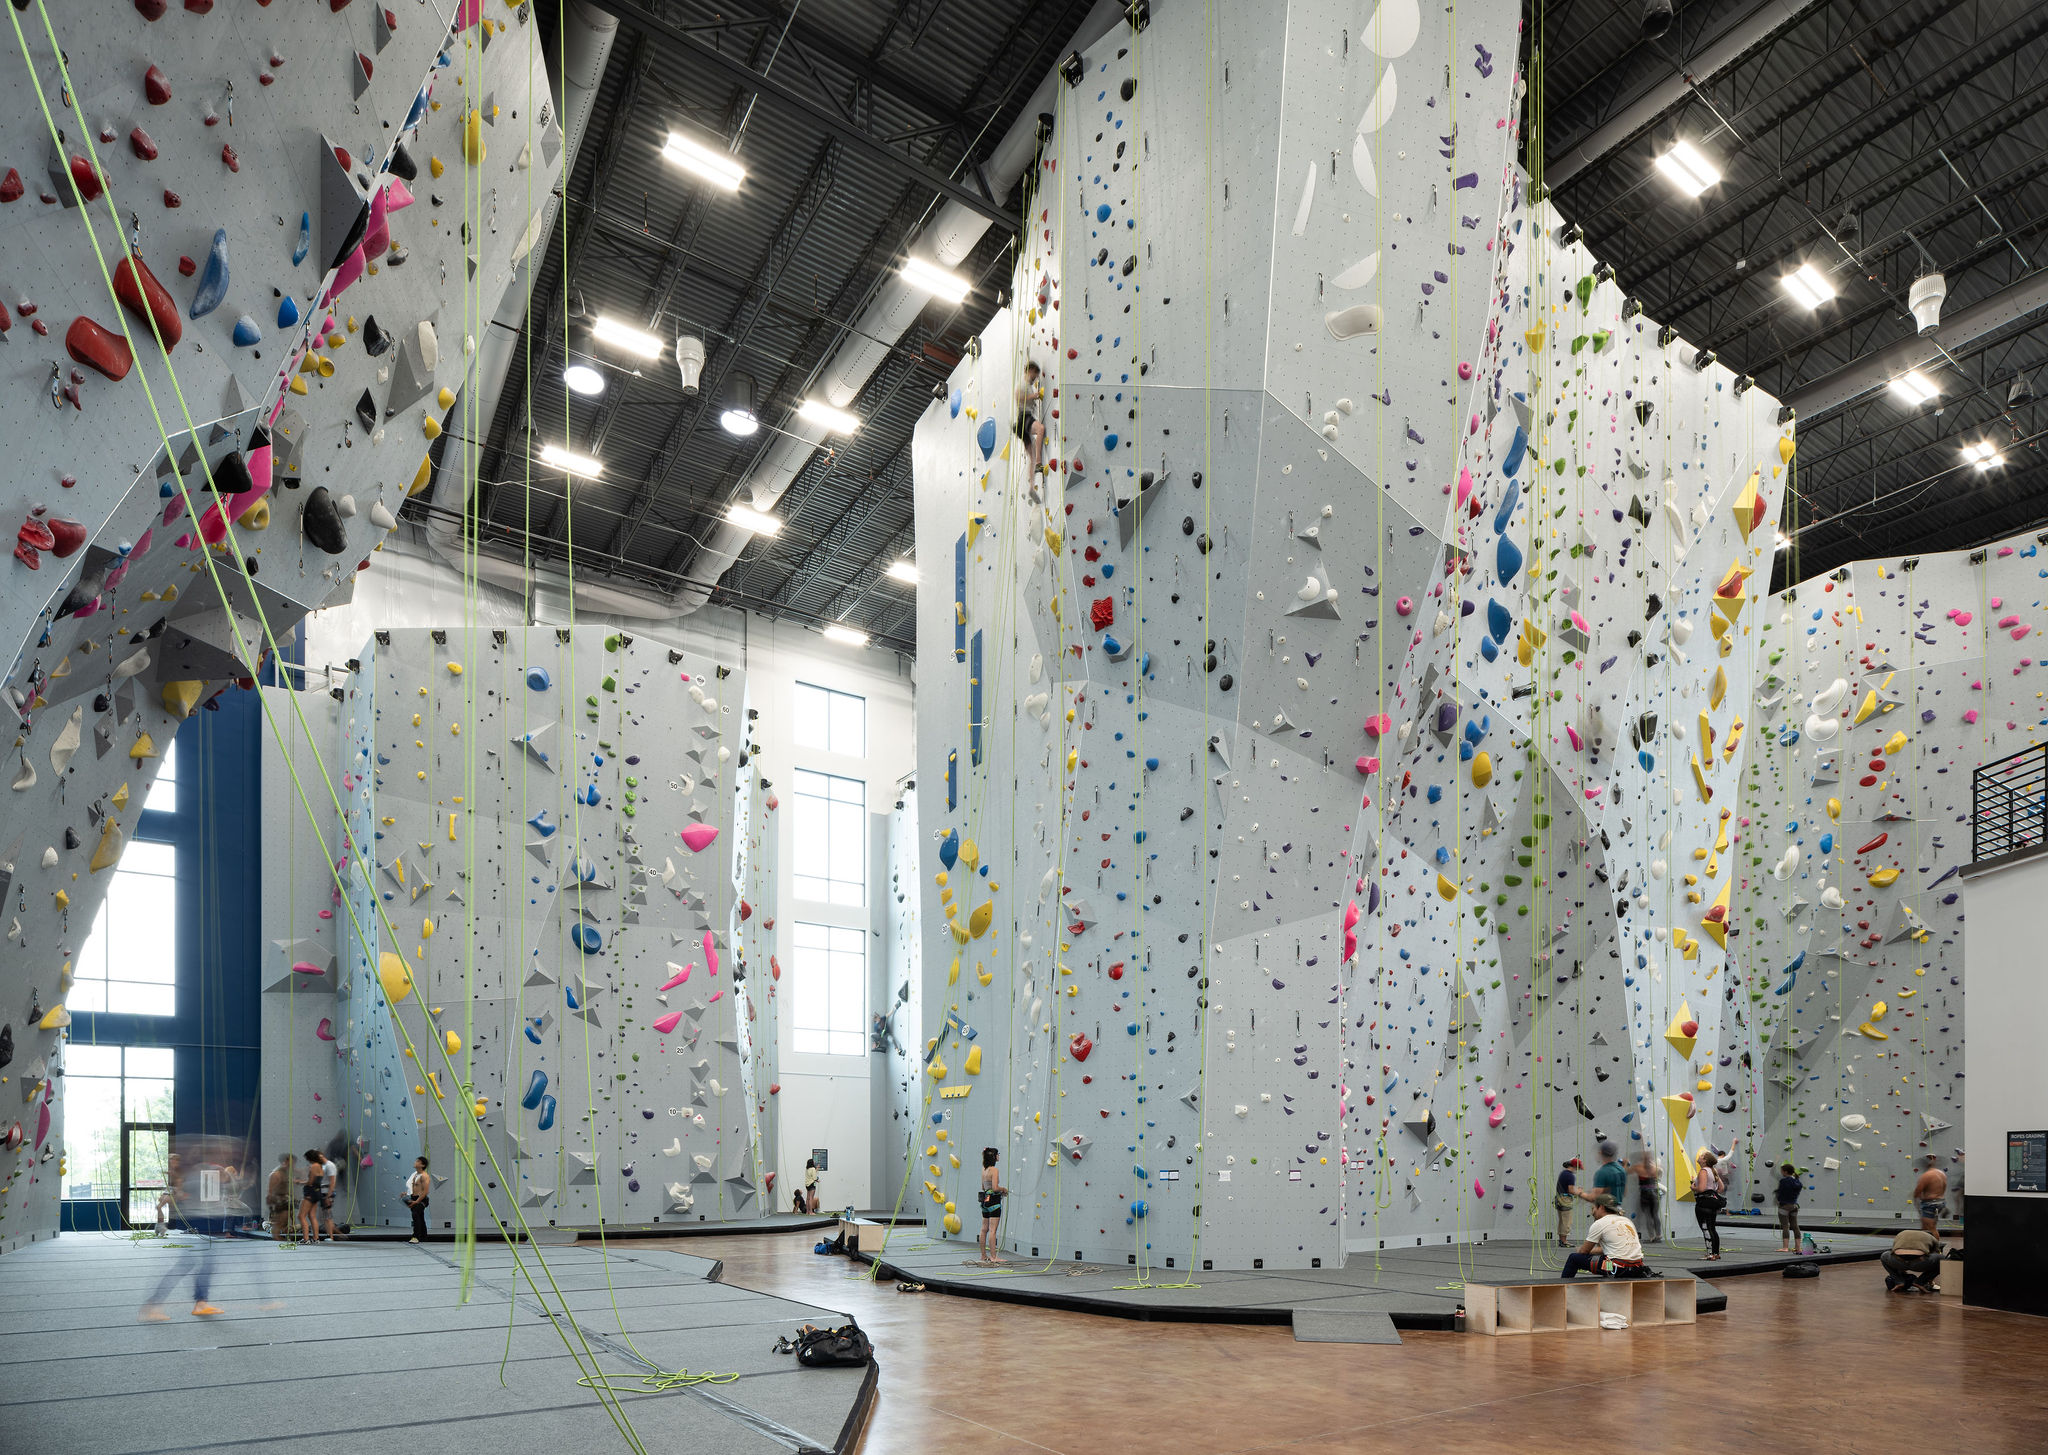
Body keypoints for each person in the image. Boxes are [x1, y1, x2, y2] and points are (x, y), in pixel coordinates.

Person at [1560, 1196, 1651, 1279]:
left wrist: (1579, 1249)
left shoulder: (1600, 1223)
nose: (1593, 1212)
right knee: (1606, 1257)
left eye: (1594, 1208)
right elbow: (1615, 1248)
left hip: (1617, 1268)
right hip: (1637, 1267)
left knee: (1574, 1258)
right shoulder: (1627, 1221)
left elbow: (1584, 1251)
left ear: (1601, 1207)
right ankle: (1609, 1282)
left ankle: (1562, 1287)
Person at [1882, 1225, 1945, 1293]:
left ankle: (1899, 1281)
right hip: (1920, 1263)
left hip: (1898, 1261)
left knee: (1884, 1256)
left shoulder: (1901, 1234)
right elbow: (1936, 1253)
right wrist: (1929, 1280)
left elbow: (1894, 1251)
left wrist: (1900, 1272)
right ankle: (1920, 1282)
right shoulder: (1931, 1238)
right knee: (1943, 1259)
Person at [1577, 1140, 1627, 1217]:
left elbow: (1593, 1198)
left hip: (1605, 1213)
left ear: (1600, 1153)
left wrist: (1580, 1193)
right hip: (1618, 1211)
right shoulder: (1621, 1170)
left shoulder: (1602, 1173)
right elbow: (1623, 1192)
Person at [1015, 361, 1047, 481]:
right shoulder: (1023, 384)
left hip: (1024, 418)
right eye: (1035, 375)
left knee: (1031, 455)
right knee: (1041, 429)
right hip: (1024, 418)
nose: (1035, 378)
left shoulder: (1028, 385)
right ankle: (1038, 463)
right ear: (1030, 371)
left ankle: (1031, 485)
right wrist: (1032, 397)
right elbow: (1018, 397)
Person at [1692, 1150, 1725, 1259]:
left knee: (1706, 1228)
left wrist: (1693, 1187)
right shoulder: (1712, 1170)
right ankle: (1716, 1253)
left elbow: (1701, 1189)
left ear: (1705, 1160)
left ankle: (1710, 1254)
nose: (1699, 1157)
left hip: (1703, 1203)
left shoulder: (1703, 1171)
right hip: (1712, 1203)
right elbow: (1721, 1188)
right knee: (1712, 1228)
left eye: (1701, 1156)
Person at [977, 1148, 1008, 1264]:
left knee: (984, 1229)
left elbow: (983, 1187)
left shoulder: (984, 1169)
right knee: (992, 1230)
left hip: (985, 1200)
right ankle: (994, 1257)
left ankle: (983, 1255)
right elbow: (995, 1188)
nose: (999, 1156)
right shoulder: (994, 1170)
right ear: (994, 1156)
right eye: (998, 1154)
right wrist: (1003, 1189)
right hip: (994, 1201)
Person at [298, 1149, 333, 1243]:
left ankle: (306, 1239)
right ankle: (316, 1238)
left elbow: (310, 1182)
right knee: (312, 1216)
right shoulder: (320, 1166)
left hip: (310, 1193)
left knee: (301, 1216)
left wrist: (299, 1182)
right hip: (317, 1192)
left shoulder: (314, 1166)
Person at [1629, 1147, 1663, 1243]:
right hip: (1654, 1192)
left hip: (1644, 1193)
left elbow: (1626, 1171)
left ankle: (1652, 1236)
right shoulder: (1654, 1167)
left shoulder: (1638, 1167)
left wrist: (1624, 1164)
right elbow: (1659, 1173)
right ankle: (1658, 1235)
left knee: (1648, 1215)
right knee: (1655, 1215)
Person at [1911, 1154, 1948, 1235]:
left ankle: (1936, 1247)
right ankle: (1925, 1245)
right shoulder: (1942, 1174)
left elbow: (1917, 1193)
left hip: (1931, 1204)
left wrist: (1916, 1196)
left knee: (1930, 1228)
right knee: (1925, 1227)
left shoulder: (1926, 1176)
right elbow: (1944, 1188)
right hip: (1941, 1202)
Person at [1775, 1163, 1804, 1253]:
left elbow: (1781, 1193)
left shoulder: (1784, 1181)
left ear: (1785, 1172)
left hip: (1785, 1205)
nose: (1781, 1173)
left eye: (1782, 1171)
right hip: (1794, 1206)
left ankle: (1785, 1247)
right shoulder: (1798, 1181)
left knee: (1785, 1226)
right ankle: (1798, 1248)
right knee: (1795, 1226)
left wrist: (1778, 1198)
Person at [265, 1153, 294, 1239]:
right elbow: (270, 1191)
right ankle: (276, 1238)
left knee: (284, 1221)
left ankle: (278, 1237)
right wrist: (272, 1203)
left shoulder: (285, 1172)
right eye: (291, 1161)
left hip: (284, 1200)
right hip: (278, 1201)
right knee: (279, 1222)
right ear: (286, 1161)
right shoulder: (276, 1174)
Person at [1553, 1159, 1580, 1244]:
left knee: (1562, 1220)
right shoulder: (1570, 1176)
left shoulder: (1563, 1173)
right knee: (1567, 1221)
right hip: (1566, 1199)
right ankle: (1564, 1241)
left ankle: (1561, 1239)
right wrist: (1579, 1192)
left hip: (1559, 1198)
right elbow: (1571, 1190)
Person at [405, 1156, 431, 1243]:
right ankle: (423, 1236)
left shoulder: (424, 1176)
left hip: (421, 1199)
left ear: (422, 1165)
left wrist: (417, 1201)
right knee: (420, 1217)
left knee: (416, 1215)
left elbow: (425, 1191)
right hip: (414, 1197)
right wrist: (406, 1193)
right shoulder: (415, 1174)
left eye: (418, 1161)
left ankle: (416, 1236)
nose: (415, 1162)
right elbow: (413, 1187)